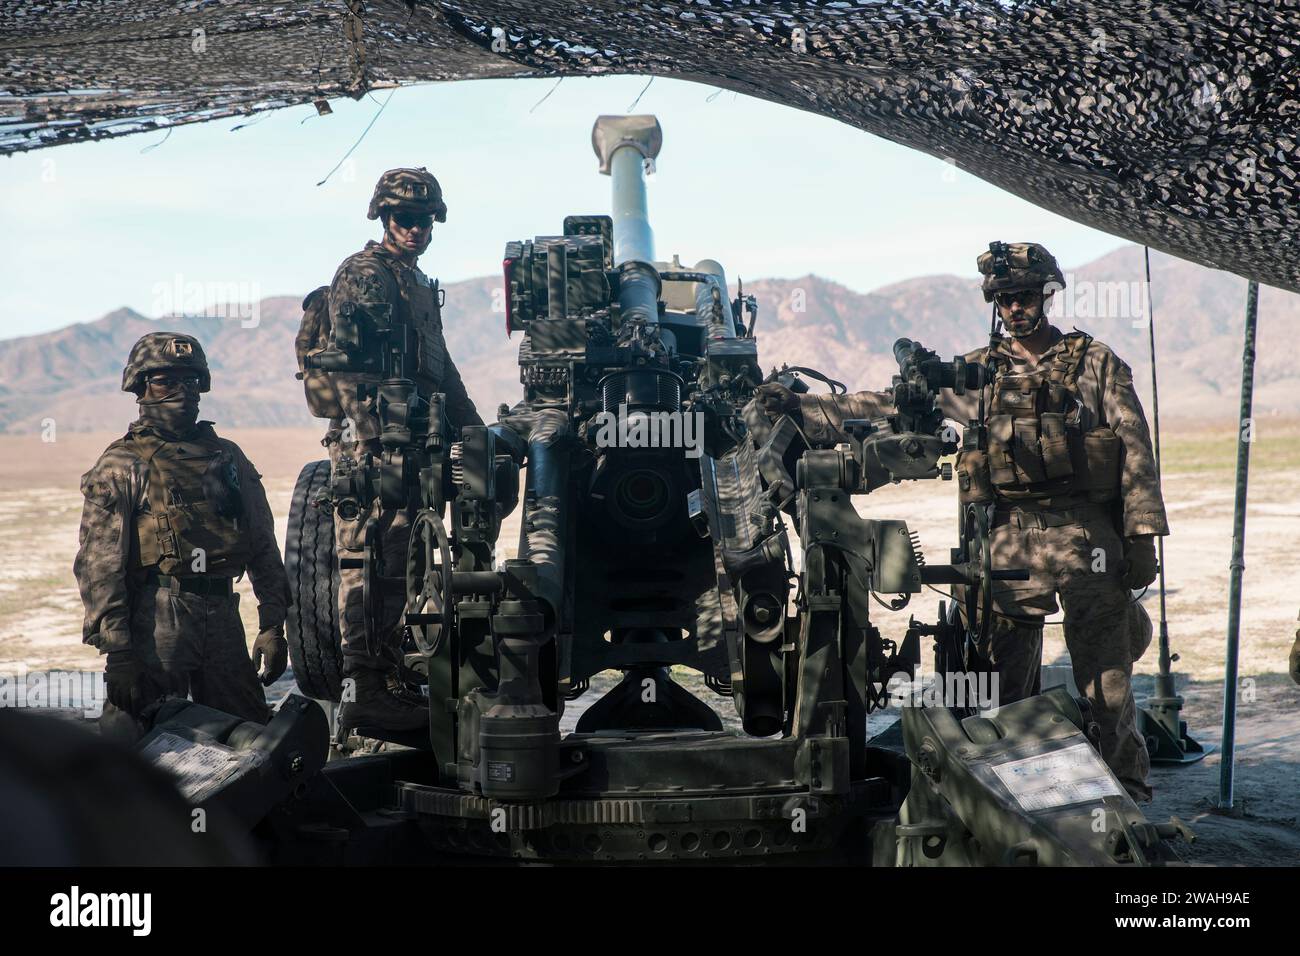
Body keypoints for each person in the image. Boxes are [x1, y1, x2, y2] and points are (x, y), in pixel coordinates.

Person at [756, 241, 1166, 801]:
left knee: (1107, 682)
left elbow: (1136, 449)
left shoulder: (1094, 364)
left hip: (1085, 536)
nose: (1013, 309)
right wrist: (802, 409)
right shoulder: (978, 372)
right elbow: (890, 406)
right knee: (1005, 682)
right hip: (1009, 541)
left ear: (1046, 295)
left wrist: (1142, 536)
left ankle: (1127, 793)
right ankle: (1025, 795)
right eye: (1003, 300)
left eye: (1022, 297)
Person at [320, 167, 483, 732]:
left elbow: (439, 365)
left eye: (424, 220)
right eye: (404, 219)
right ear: (384, 219)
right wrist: (371, 441)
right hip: (376, 448)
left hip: (414, 443)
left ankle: (389, 674)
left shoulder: (416, 284)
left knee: (407, 562)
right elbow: (343, 363)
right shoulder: (364, 274)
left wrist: (472, 428)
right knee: (372, 562)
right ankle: (365, 685)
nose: (414, 229)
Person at [75, 332, 290, 743]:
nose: (183, 393)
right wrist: (118, 650)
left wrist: (272, 625)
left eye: (192, 382)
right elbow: (99, 564)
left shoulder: (228, 456)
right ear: (141, 387)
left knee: (250, 740)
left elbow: (262, 543)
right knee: (136, 740)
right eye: (166, 382)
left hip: (222, 614)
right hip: (158, 619)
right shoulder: (122, 463)